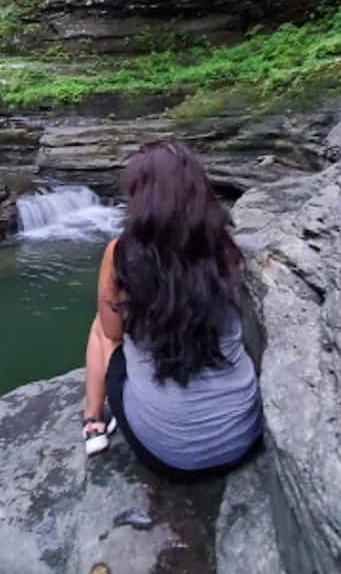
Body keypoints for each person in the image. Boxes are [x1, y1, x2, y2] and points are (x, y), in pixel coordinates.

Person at [82, 140, 263, 478]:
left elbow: (111, 334)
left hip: (168, 454)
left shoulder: (121, 253)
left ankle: (92, 420)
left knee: (100, 326)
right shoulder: (222, 244)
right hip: (244, 437)